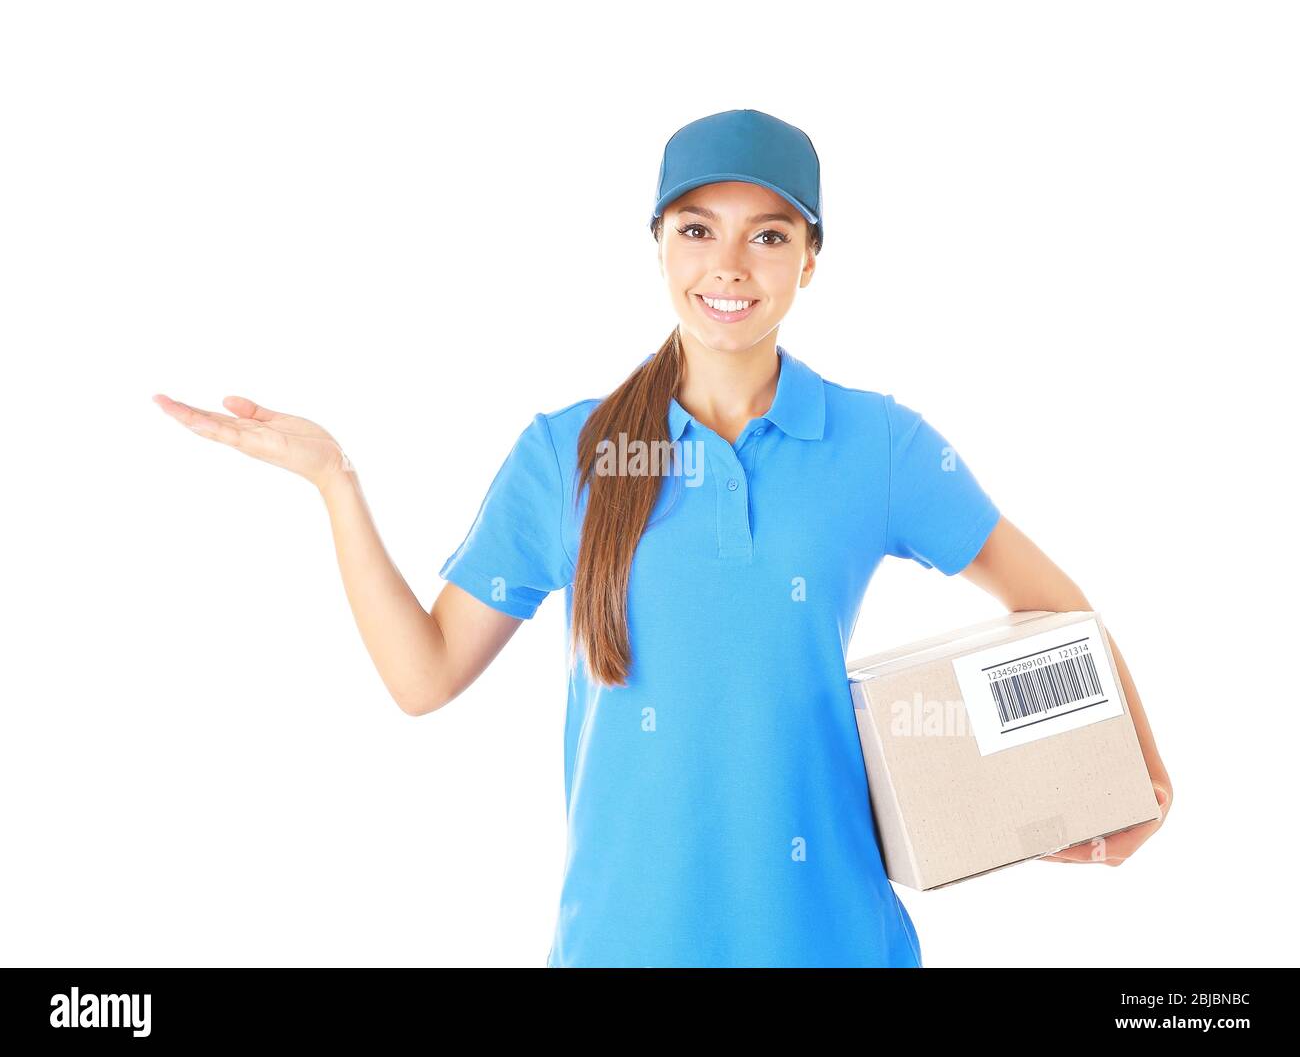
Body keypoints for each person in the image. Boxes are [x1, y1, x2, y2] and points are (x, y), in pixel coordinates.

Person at [153, 109, 1172, 967]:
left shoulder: (879, 445)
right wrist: (336, 483)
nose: (729, 264)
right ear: (657, 244)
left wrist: (1136, 776)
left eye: (768, 236)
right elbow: (423, 678)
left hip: (831, 941)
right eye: (697, 229)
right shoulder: (569, 453)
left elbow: (1055, 606)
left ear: (810, 258)